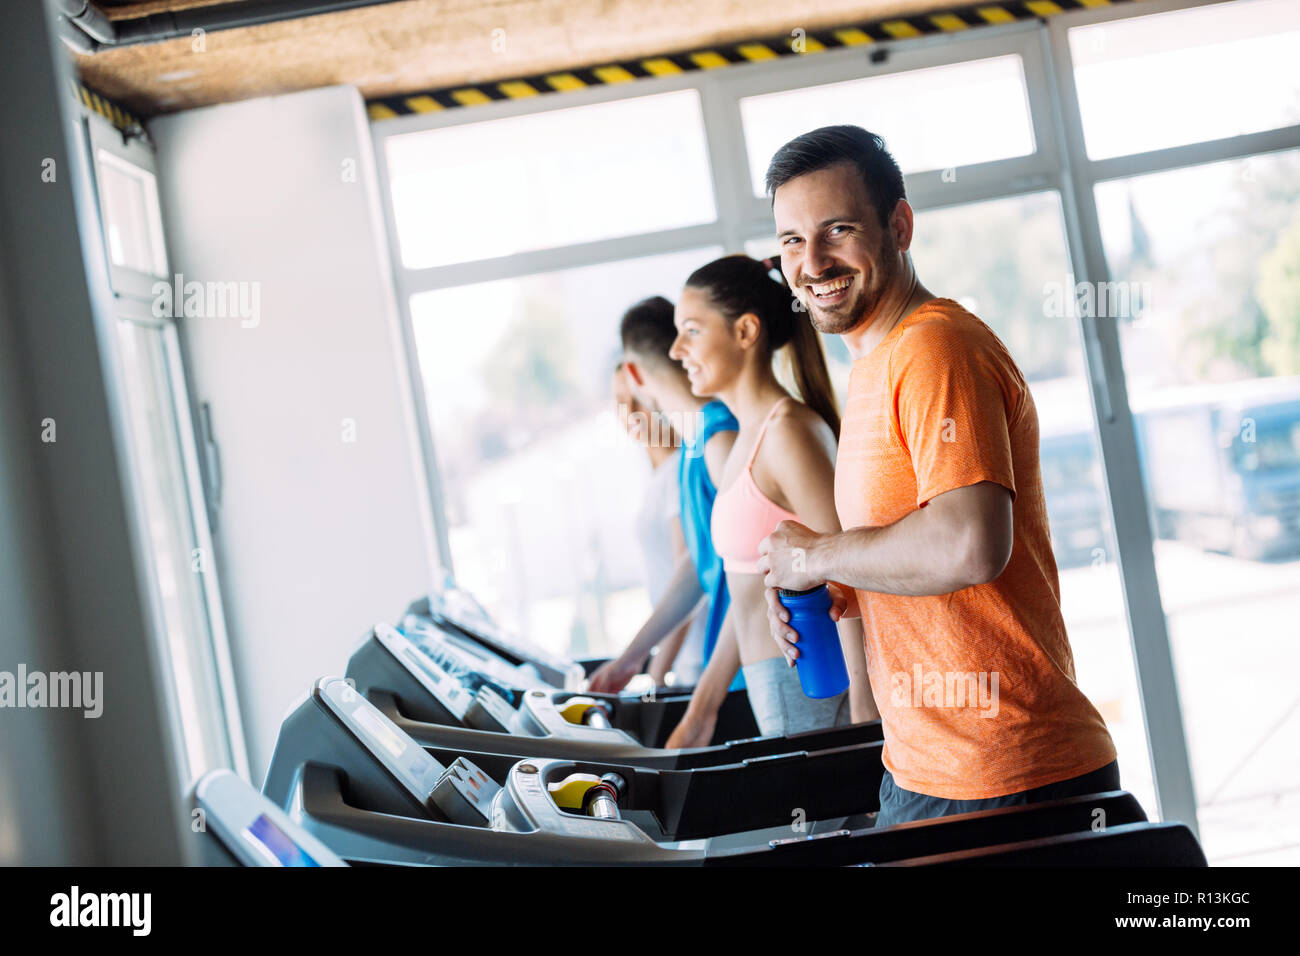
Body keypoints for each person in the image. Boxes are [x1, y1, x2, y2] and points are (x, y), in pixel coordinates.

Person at [756, 125, 1119, 828]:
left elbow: (968, 544)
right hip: (925, 768)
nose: (813, 260)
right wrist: (832, 587)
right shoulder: (874, 367)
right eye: (793, 240)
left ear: (899, 225)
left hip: (1005, 773)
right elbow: (913, 552)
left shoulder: (937, 348)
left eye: (837, 229)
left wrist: (815, 553)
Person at [661, 256, 876, 746]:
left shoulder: (790, 433)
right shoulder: (745, 440)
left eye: (692, 331)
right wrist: (701, 712)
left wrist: (865, 706)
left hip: (824, 691)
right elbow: (747, 602)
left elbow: (851, 567)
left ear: (745, 331)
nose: (677, 350)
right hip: (776, 692)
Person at [588, 297, 738, 694]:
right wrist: (631, 661)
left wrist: (690, 700)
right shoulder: (693, 449)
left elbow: (751, 579)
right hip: (722, 668)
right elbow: (694, 567)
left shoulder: (717, 440)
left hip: (740, 671)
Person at [610, 362, 706, 686]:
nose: (629, 412)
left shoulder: (679, 472)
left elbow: (690, 575)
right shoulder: (656, 476)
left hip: (696, 659)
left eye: (637, 400)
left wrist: (655, 674)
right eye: (620, 403)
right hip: (682, 663)